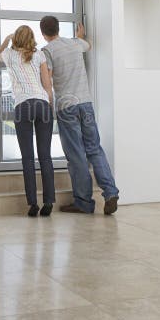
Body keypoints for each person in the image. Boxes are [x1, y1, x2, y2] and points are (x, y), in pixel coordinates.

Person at [40, 16, 120, 215]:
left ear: (43, 33)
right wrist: (80, 36)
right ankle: (110, 192)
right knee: (94, 149)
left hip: (67, 107)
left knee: (76, 154)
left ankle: (84, 203)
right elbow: (89, 45)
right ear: (58, 29)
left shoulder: (47, 51)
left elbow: (47, 80)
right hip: (86, 104)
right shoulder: (75, 44)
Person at [0, 25, 56, 217]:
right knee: (45, 157)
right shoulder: (39, 55)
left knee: (28, 158)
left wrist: (7, 38)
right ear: (32, 38)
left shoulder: (9, 55)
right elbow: (48, 85)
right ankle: (49, 201)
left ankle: (33, 204)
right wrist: (50, 107)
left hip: (23, 106)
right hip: (42, 104)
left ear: (16, 39)